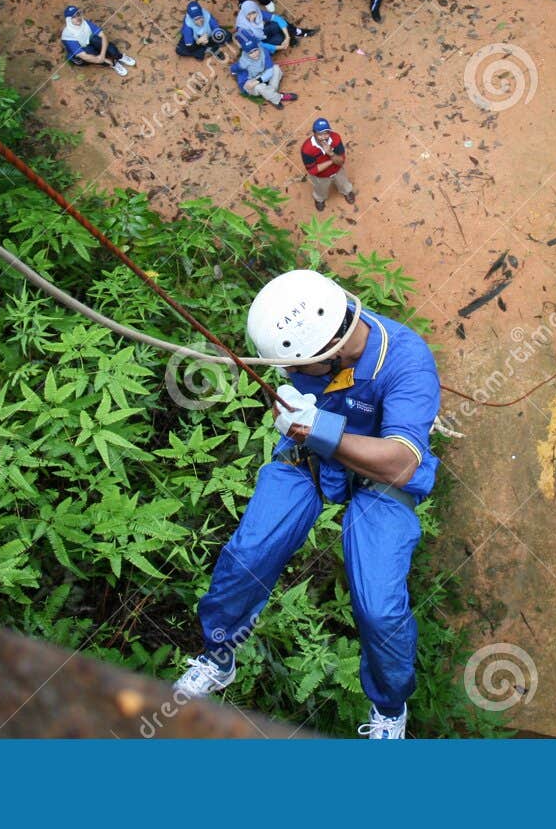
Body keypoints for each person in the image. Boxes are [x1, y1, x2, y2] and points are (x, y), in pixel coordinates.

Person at [174, 269, 441, 739]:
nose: (289, 375)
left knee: (379, 607)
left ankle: (389, 707)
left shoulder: (406, 362)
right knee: (247, 556)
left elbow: (399, 463)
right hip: (310, 455)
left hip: (377, 475)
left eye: (297, 368)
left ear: (329, 348)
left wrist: (316, 427)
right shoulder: (307, 349)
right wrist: (297, 416)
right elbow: (297, 392)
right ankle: (218, 657)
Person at [60, 5, 136, 77]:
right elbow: (84, 56)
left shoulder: (85, 23)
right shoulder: (68, 36)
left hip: (88, 44)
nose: (77, 18)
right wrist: (104, 60)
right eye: (73, 17)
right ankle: (113, 64)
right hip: (81, 55)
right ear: (69, 20)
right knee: (94, 55)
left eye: (78, 14)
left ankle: (119, 56)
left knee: (97, 40)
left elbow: (103, 36)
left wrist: (102, 55)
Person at [302, 118, 356, 212]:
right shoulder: (307, 149)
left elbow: (341, 161)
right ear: (314, 133)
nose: (324, 137)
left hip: (337, 170)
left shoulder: (336, 138)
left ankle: (347, 192)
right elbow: (312, 170)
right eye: (320, 134)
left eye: (326, 133)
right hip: (320, 176)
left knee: (343, 183)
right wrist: (332, 160)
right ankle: (320, 199)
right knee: (320, 189)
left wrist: (331, 153)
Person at [228, 40, 297, 108]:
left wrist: (257, 81)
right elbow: (232, 70)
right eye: (250, 53)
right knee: (259, 87)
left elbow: (270, 71)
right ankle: (278, 98)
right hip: (248, 82)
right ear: (246, 54)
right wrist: (245, 82)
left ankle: (271, 94)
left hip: (260, 75)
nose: (254, 54)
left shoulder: (263, 52)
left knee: (276, 68)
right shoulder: (242, 63)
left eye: (255, 50)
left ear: (258, 47)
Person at [234, 0, 315, 54]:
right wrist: (280, 47)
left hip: (261, 34)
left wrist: (287, 37)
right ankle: (294, 34)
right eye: (249, 14)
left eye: (253, 13)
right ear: (244, 13)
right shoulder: (242, 29)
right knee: (280, 38)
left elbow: (278, 19)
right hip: (256, 47)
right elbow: (259, 45)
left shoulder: (257, 12)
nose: (252, 16)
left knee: (277, 24)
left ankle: (293, 34)